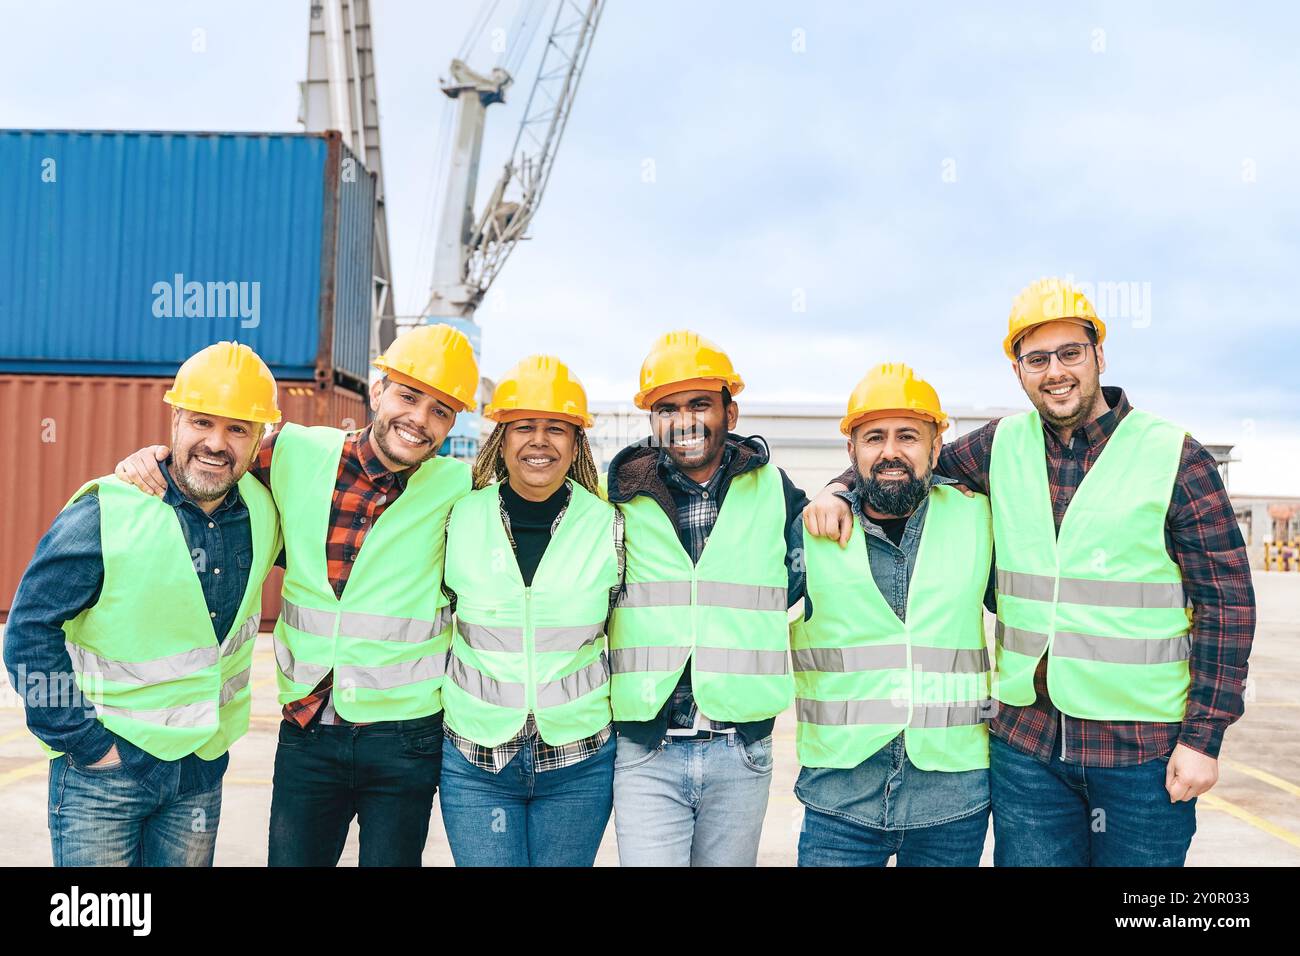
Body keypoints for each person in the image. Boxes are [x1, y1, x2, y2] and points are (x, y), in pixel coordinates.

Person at [803, 277, 1256, 866]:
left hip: (1140, 751)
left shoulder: (1174, 455)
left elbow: (1229, 605)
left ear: (1099, 355)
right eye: (1037, 358)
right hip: (1028, 752)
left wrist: (1203, 739)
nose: (1056, 371)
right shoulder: (999, 446)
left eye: (1070, 353)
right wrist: (837, 491)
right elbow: (898, 466)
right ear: (1019, 371)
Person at [113, 324, 479, 866]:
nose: (420, 420)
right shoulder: (294, 452)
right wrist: (152, 458)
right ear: (376, 392)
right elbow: (212, 461)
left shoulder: (461, 487)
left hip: (406, 740)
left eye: (441, 411)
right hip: (309, 728)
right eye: (407, 395)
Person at [4, 342, 282, 866]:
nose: (216, 443)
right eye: (202, 421)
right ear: (175, 420)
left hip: (199, 770)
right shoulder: (108, 510)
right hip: (105, 771)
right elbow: (29, 630)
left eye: (238, 429)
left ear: (260, 438)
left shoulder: (266, 512)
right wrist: (86, 744)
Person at [606, 330, 808, 866]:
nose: (685, 419)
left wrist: (837, 491)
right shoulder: (621, 499)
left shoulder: (777, 492)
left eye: (701, 404)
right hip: (648, 748)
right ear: (651, 420)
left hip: (739, 748)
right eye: (667, 407)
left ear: (731, 412)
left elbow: (807, 573)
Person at [791, 363, 993, 867]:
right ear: (851, 451)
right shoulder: (807, 532)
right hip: (840, 799)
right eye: (874, 437)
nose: (890, 451)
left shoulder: (981, 518)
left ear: (936, 447)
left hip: (953, 801)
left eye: (908, 436)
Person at [439, 355, 621, 866]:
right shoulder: (459, 518)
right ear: (502, 438)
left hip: (578, 763)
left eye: (556, 428)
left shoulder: (609, 525)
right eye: (524, 427)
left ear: (576, 442)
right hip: (477, 762)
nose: (539, 441)